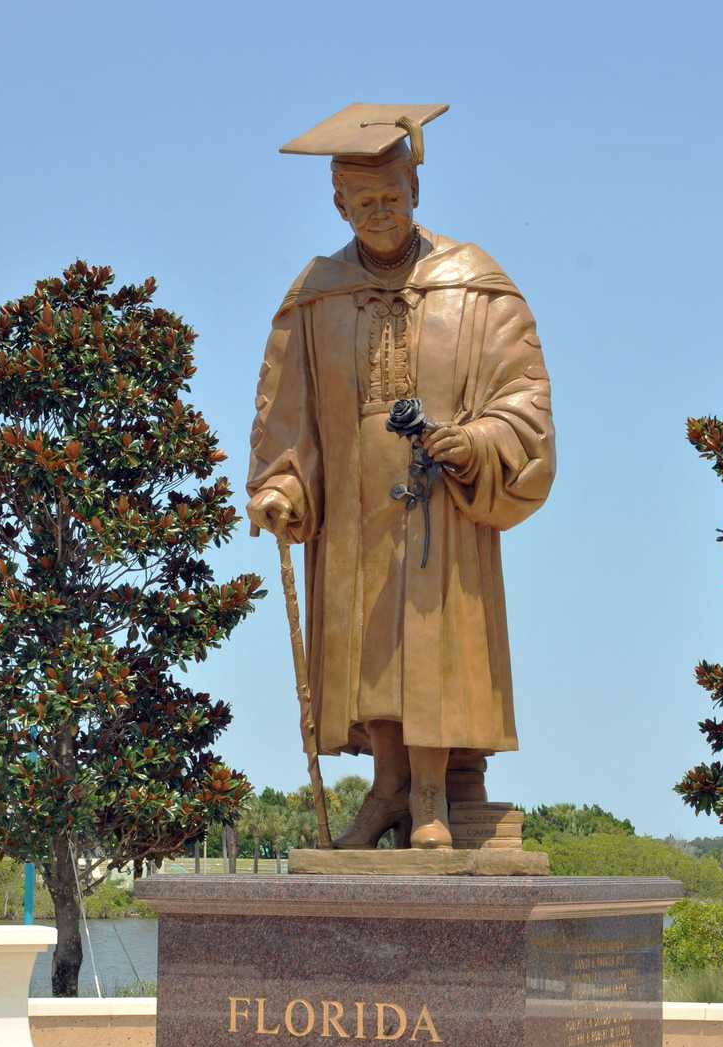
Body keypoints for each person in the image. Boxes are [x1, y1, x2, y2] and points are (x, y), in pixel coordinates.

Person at [246, 103, 556, 850]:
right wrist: (283, 486)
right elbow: (286, 413)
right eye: (362, 203)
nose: (378, 214)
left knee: (431, 640)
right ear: (338, 204)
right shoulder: (315, 296)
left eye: (391, 197)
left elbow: (526, 401)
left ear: (416, 188)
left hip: (441, 503)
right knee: (364, 642)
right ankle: (385, 789)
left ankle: (428, 796)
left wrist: (477, 441)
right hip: (352, 506)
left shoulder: (477, 285)